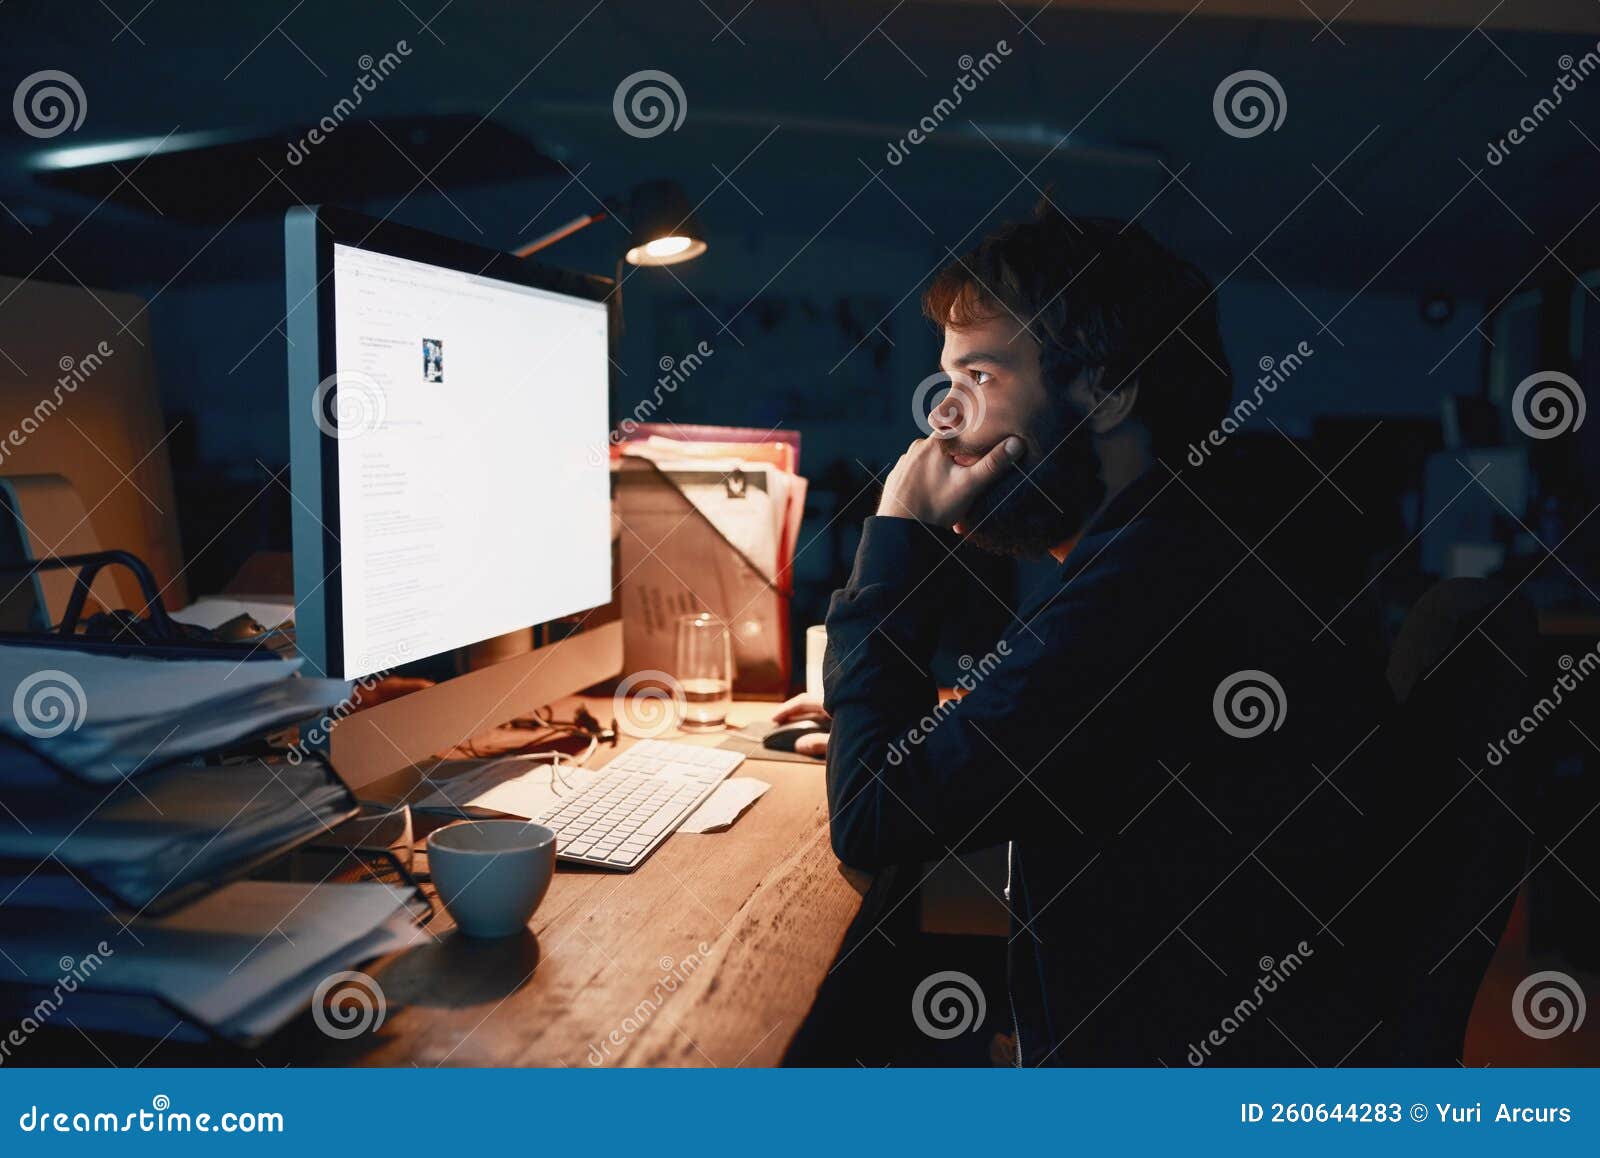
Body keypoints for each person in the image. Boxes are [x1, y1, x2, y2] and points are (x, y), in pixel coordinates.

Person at [807, 203, 1392, 1065]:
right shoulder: (1184, 543)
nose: (943, 420)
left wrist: (902, 528)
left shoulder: (1152, 585)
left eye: (980, 377)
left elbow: (873, 816)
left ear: (1108, 389)